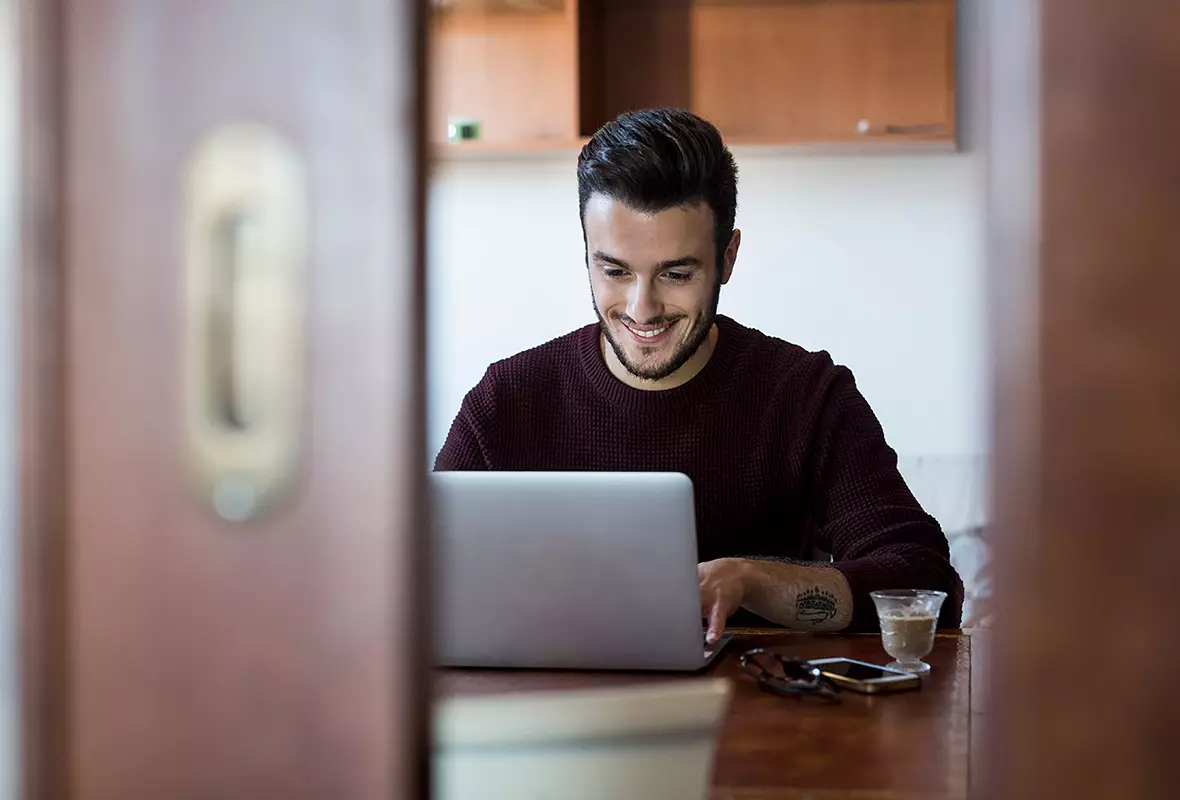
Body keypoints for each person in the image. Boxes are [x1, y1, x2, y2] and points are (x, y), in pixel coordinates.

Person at [434, 107, 963, 643]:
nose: (642, 309)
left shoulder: (805, 397)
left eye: (677, 273)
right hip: (542, 708)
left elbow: (926, 586)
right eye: (614, 271)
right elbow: (409, 582)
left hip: (764, 713)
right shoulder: (506, 401)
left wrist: (754, 582)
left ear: (727, 259)